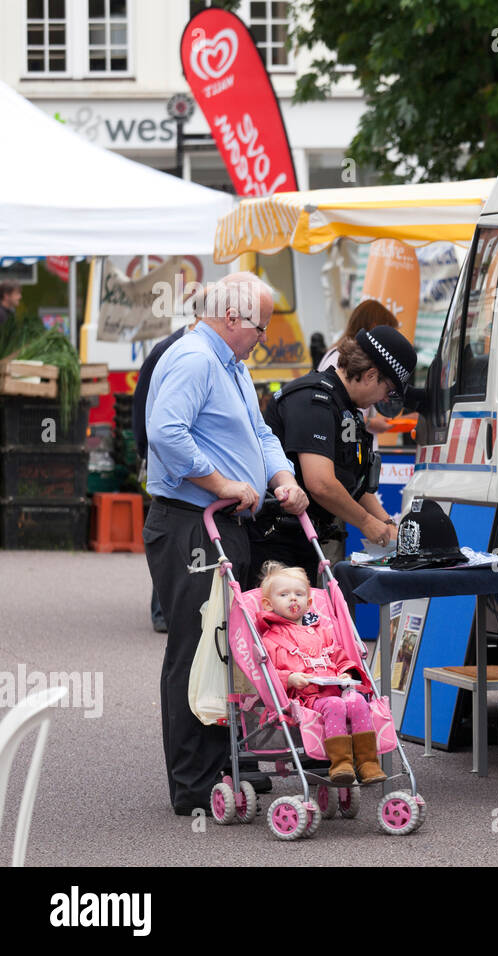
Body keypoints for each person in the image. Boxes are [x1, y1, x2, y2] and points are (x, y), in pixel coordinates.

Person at [144, 271, 310, 815]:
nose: (261, 338)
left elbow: (260, 435)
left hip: (221, 522)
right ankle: (193, 784)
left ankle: (222, 763)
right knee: (196, 649)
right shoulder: (196, 358)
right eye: (260, 328)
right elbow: (167, 433)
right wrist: (221, 482)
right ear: (233, 318)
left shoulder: (229, 364)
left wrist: (281, 477)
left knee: (226, 647)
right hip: (194, 520)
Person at [249, 326, 417, 583]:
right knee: (282, 621)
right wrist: (366, 523)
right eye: (389, 390)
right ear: (371, 375)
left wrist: (386, 523)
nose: (384, 399)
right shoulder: (314, 400)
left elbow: (356, 487)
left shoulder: (346, 407)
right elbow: (321, 484)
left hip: (305, 536)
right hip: (276, 542)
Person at [256, 562, 386, 786]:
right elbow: (267, 674)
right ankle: (341, 763)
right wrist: (290, 678)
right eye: (284, 594)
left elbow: (339, 656)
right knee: (334, 705)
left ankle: (367, 763)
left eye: (299, 594)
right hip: (308, 698)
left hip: (335, 688)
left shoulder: (322, 632)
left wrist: (346, 673)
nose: (293, 599)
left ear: (309, 602)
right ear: (268, 604)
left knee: (357, 701)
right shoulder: (271, 639)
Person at [132, 317, 199, 633]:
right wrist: (145, 453)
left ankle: (170, 608)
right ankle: (162, 611)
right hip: (163, 460)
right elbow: (143, 402)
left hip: (184, 461)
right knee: (168, 535)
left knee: (179, 539)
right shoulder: (168, 349)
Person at [318, 299, 401, 455]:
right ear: (375, 326)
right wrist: (369, 423)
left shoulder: (337, 354)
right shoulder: (339, 360)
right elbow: (334, 411)